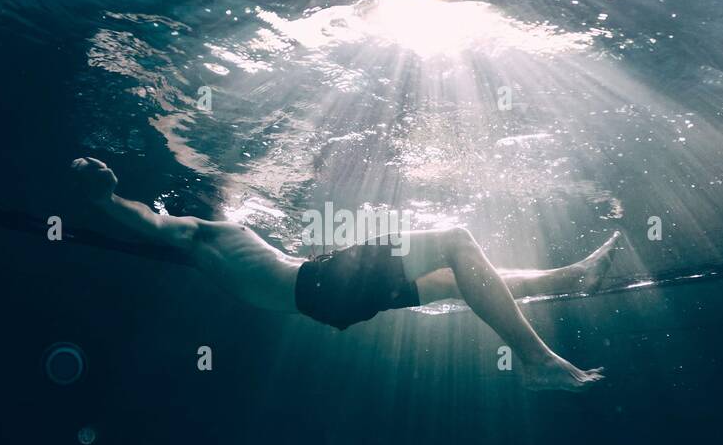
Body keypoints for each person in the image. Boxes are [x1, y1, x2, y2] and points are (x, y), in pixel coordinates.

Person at [71, 157, 619, 391]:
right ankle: (537, 360)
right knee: (455, 239)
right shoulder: (201, 232)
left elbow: (148, 225)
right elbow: (151, 222)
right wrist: (105, 198)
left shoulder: (216, 257)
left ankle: (571, 277)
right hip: (320, 283)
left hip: (322, 302)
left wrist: (105, 200)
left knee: (462, 277)